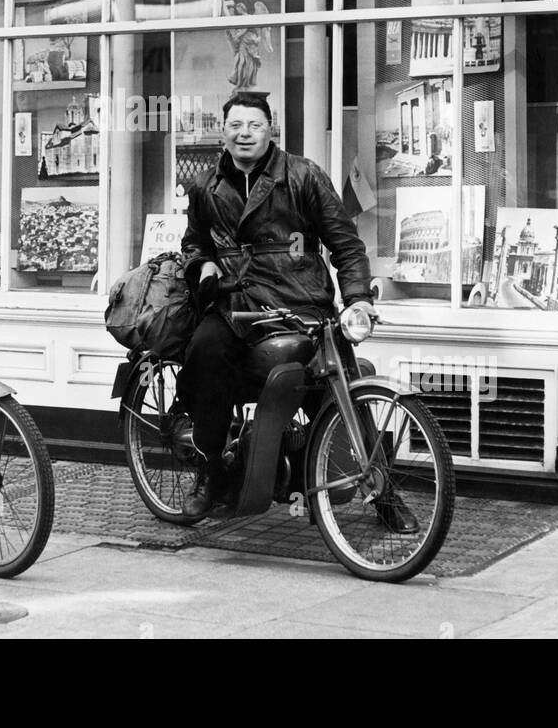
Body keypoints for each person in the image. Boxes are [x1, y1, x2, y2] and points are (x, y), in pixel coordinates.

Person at [176, 92, 416, 532]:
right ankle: (209, 473)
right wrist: (204, 263)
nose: (244, 133)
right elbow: (193, 243)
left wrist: (358, 298)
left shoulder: (303, 175)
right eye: (235, 125)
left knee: (343, 375)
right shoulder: (206, 186)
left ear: (271, 130)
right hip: (237, 305)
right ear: (223, 132)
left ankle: (383, 492)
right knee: (206, 351)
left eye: (254, 125)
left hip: (302, 300)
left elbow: (345, 244)